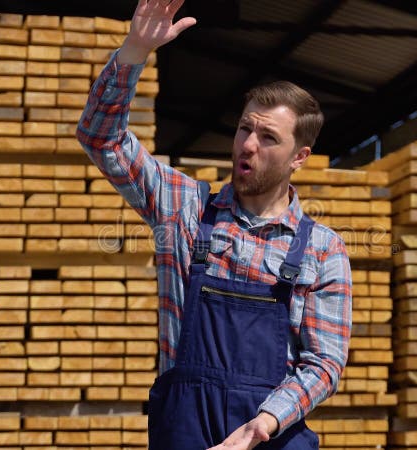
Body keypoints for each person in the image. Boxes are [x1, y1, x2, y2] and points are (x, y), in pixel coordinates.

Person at [76, 1, 352, 448]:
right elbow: (99, 137)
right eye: (245, 129)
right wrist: (133, 52)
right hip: (184, 429)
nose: (248, 145)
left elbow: (323, 363)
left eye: (268, 138)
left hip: (270, 435)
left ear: (300, 156)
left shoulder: (324, 249)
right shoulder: (181, 207)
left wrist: (260, 424)